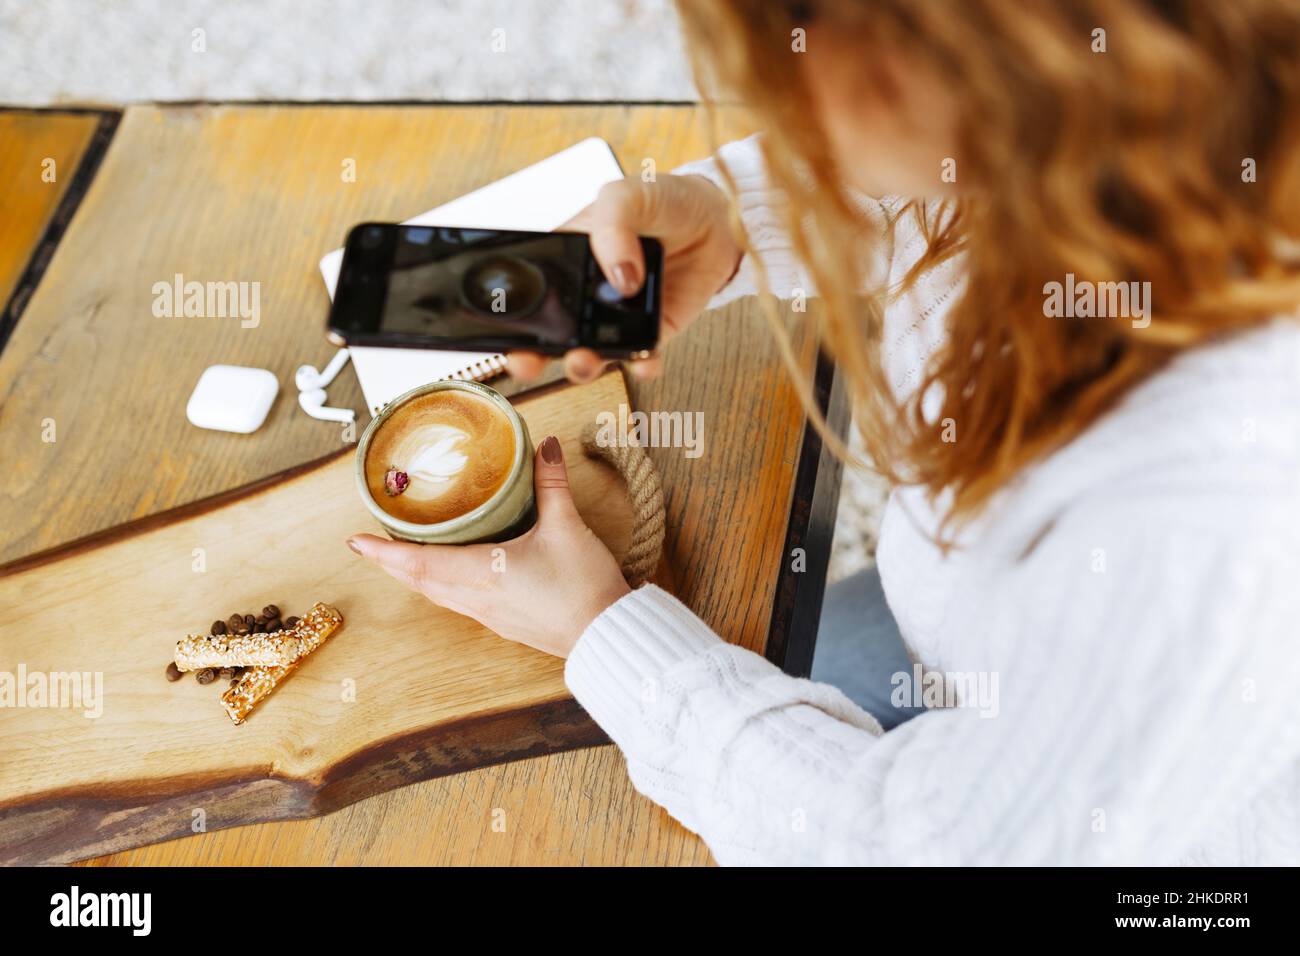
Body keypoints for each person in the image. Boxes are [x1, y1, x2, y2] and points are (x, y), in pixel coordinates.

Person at [347, 0, 1300, 864]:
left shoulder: (1196, 533)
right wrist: (740, 222)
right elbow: (963, 173)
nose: (777, 86)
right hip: (956, 627)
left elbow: (911, 852)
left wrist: (602, 629)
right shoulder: (1162, 115)